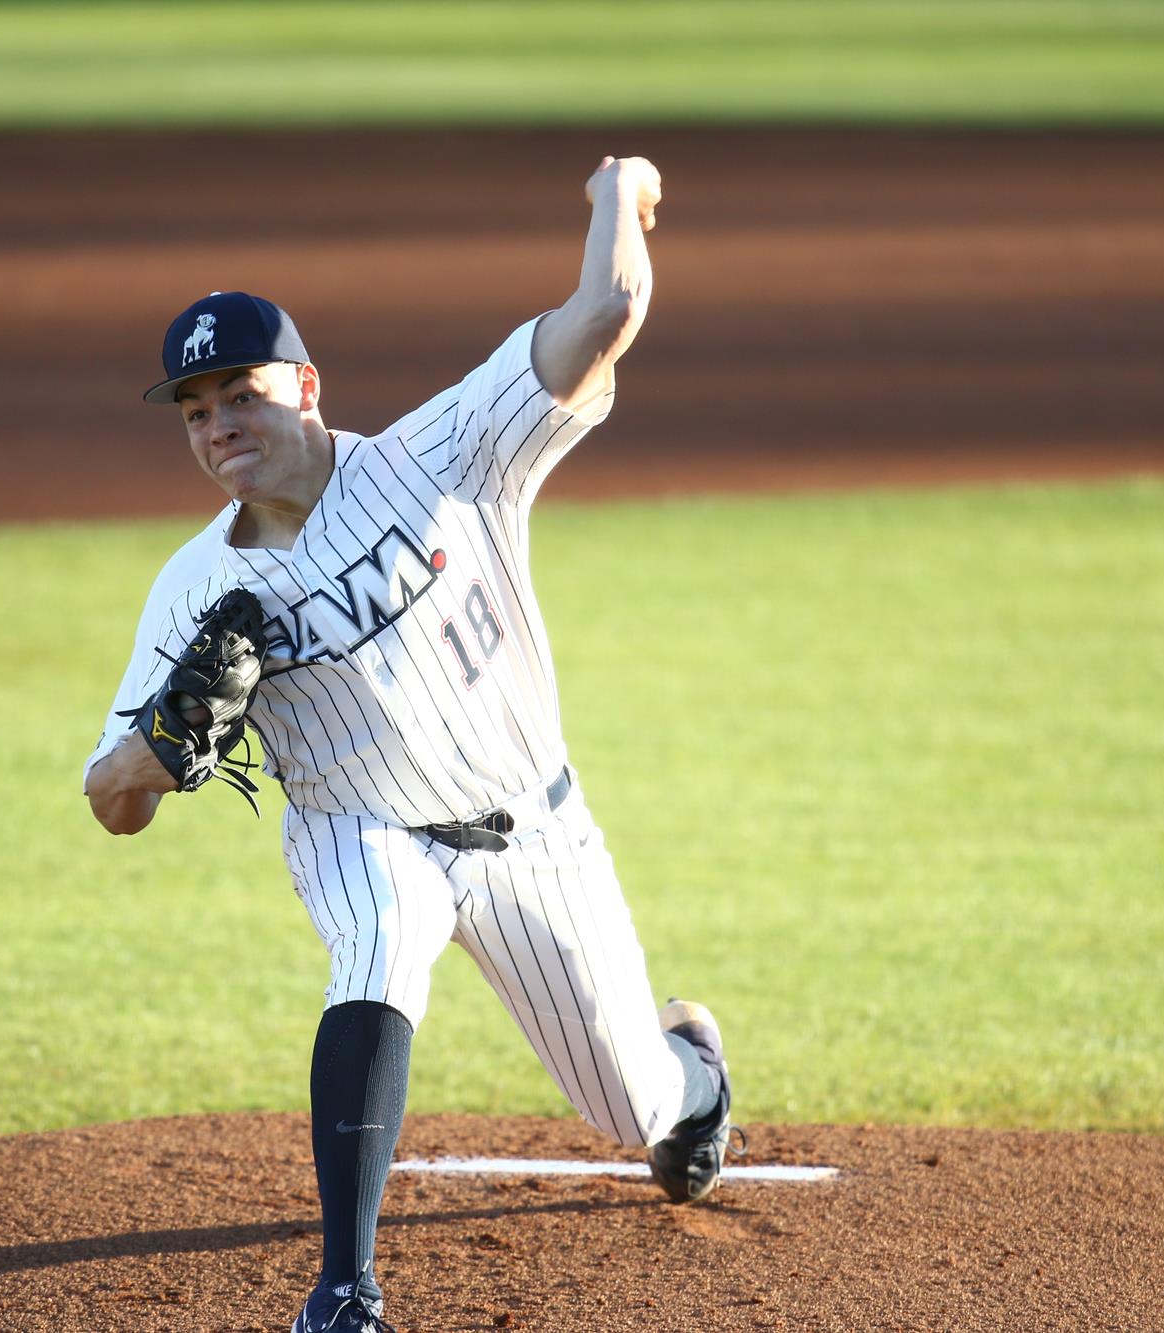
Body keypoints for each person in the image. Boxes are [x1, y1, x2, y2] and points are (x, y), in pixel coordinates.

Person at [82, 155, 735, 1333]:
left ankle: (693, 1074)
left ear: (305, 385)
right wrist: (161, 749)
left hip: (533, 830)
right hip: (360, 831)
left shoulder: (443, 453)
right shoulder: (191, 589)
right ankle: (343, 1292)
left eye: (240, 395)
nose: (219, 426)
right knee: (378, 950)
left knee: (628, 1102)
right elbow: (109, 798)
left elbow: (606, 311)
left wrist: (616, 194)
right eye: (195, 410)